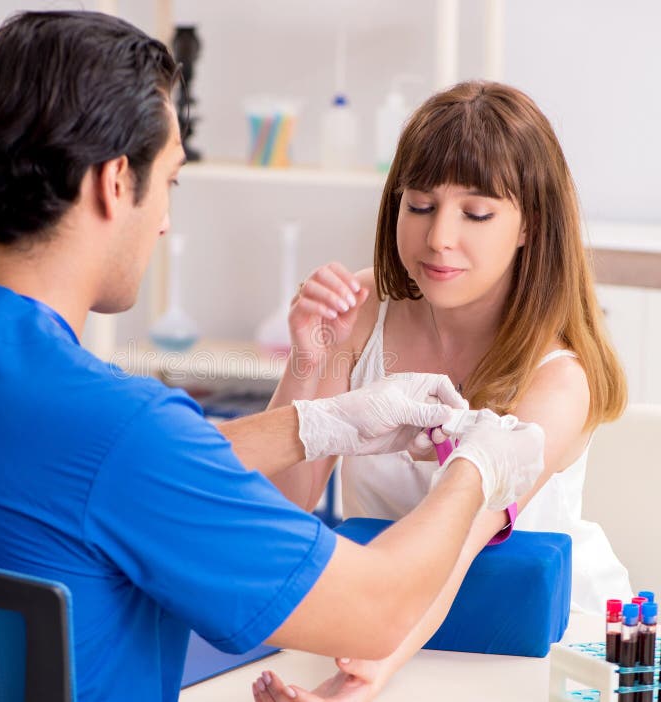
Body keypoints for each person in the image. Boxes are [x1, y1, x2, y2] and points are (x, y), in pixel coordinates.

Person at [0, 14, 545, 702]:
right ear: (114, 182)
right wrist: (479, 466)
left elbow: (60, 466)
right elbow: (376, 611)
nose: (164, 220)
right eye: (171, 182)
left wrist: (317, 423)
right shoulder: (123, 431)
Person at [255, 80, 631, 702]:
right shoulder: (362, 309)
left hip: (536, 645)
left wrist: (370, 669)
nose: (438, 239)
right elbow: (281, 508)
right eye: (420, 206)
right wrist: (308, 360)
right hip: (383, 617)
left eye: (476, 214)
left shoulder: (558, 379)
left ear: (528, 226)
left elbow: (456, 540)